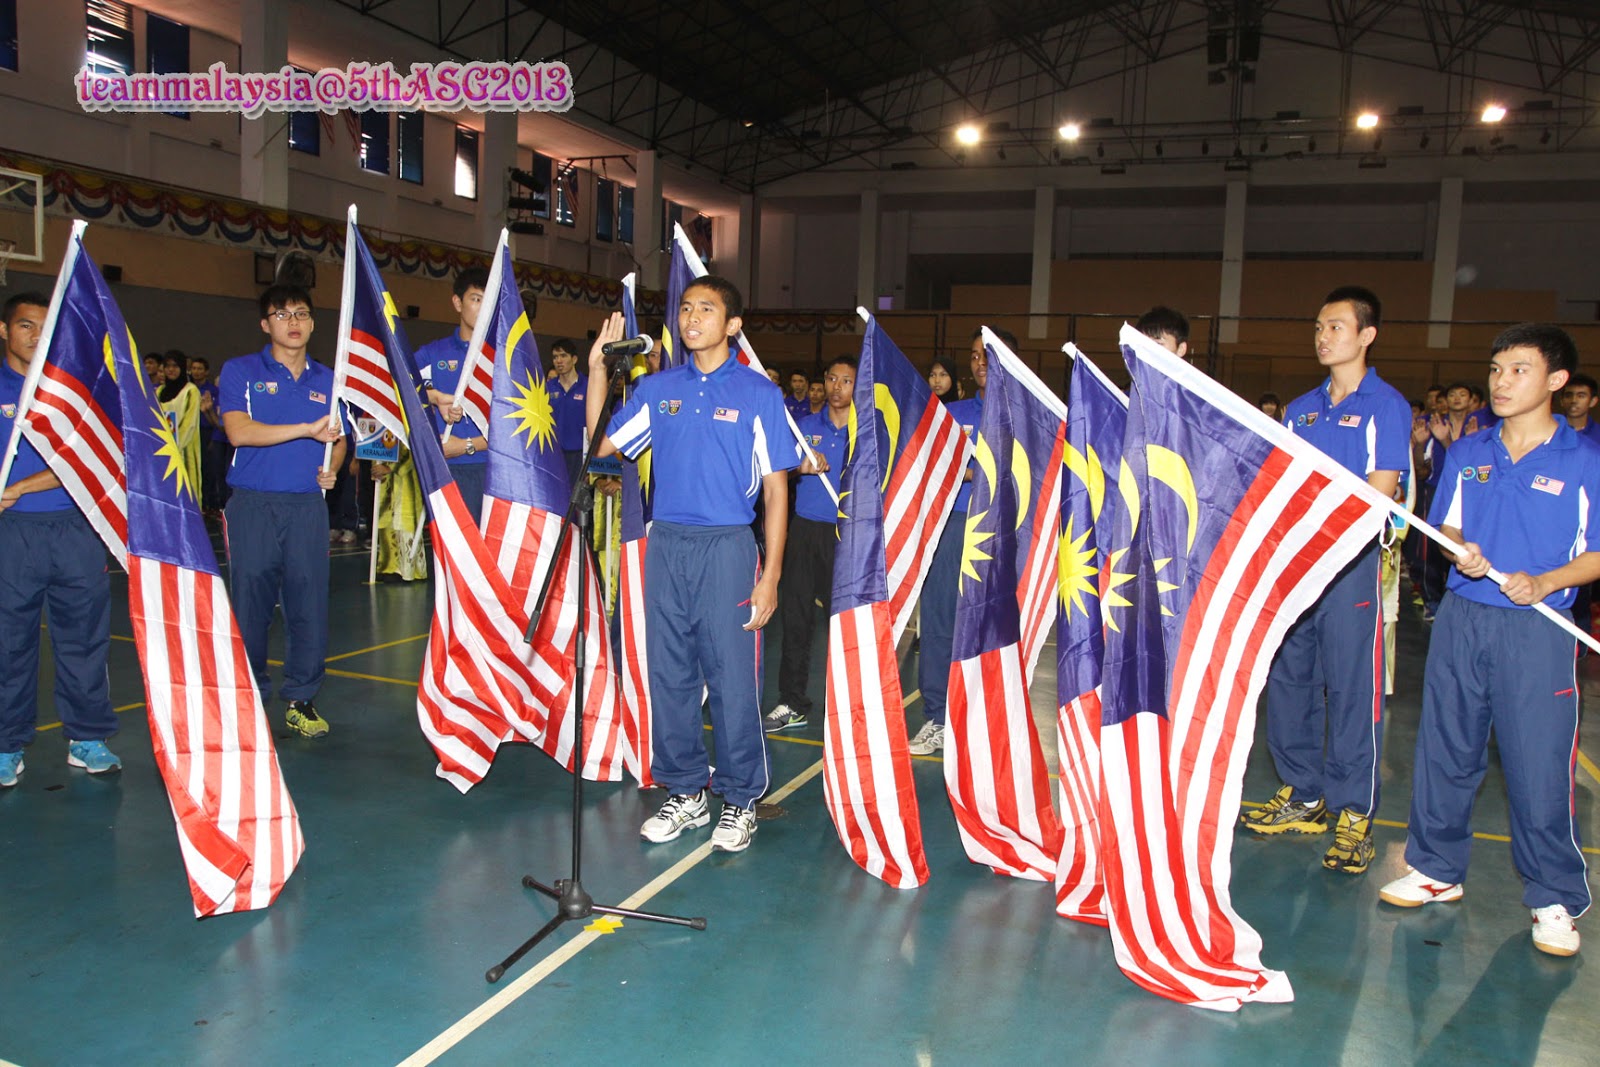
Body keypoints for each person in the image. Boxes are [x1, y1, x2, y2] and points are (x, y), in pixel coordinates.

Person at [1379, 323, 1599, 958]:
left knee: (1537, 763)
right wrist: (1460, 551)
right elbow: (1447, 525)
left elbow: (1596, 553)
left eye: (1519, 370)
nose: (1501, 382)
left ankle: (1553, 896)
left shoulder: (1584, 462)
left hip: (1538, 630)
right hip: (1464, 619)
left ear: (1556, 381)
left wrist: (1547, 580)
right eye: (1497, 370)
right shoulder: (1471, 450)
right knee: (1447, 747)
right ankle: (1435, 869)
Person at [585, 275, 797, 853]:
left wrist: (771, 574)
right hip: (667, 545)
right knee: (670, 676)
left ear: (733, 325)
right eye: (684, 308)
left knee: (732, 679)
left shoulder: (758, 394)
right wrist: (600, 371)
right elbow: (600, 448)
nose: (691, 317)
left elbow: (777, 491)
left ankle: (741, 797)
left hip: (728, 548)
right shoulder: (659, 390)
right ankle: (685, 790)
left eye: (707, 308)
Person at [1241, 286, 1410, 876]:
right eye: (1318, 326)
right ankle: (1303, 793)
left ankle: (1353, 812)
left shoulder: (1386, 406)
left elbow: (1381, 492)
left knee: (1349, 688)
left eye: (1335, 326)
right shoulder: (1300, 408)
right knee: (1288, 680)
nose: (1323, 335)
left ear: (1367, 335)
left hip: (1348, 567)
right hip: (1298, 567)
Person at [0, 292, 121, 787]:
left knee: (84, 640)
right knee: (8, 643)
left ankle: (87, 737)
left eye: (46, 329)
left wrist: (23, 486)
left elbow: (93, 456)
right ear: (5, 331)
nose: (36, 336)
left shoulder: (72, 392)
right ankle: (7, 742)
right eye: (27, 326)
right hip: (13, 535)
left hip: (75, 529)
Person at [218, 285, 345, 739]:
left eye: (302, 313)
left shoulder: (330, 379)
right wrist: (305, 429)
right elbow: (238, 431)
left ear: (312, 323)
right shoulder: (240, 372)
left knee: (308, 602)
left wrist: (334, 466)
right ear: (265, 323)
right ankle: (248, 696)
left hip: (306, 508)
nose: (293, 321)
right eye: (282, 313)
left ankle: (301, 699)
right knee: (250, 603)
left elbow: (339, 435)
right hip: (254, 505)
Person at [909, 327, 1009, 755]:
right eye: (973, 355)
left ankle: (984, 718)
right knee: (938, 621)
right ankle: (937, 716)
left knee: (992, 625)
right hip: (953, 523)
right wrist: (973, 472)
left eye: (987, 354)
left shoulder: (1024, 417)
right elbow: (936, 465)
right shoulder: (953, 414)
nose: (979, 361)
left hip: (1000, 529)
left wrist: (977, 470)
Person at [764, 355, 855, 733]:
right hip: (804, 532)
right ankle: (791, 702)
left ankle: (849, 708)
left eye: (845, 381)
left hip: (848, 536)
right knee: (797, 619)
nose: (836, 386)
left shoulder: (870, 432)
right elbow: (775, 466)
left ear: (857, 387)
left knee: (847, 624)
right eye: (831, 379)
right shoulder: (804, 427)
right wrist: (800, 467)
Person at [416, 268, 490, 524]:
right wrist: (435, 397)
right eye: (476, 299)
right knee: (449, 556)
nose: (483, 308)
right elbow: (403, 389)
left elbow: (516, 427)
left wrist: (467, 445)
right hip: (445, 471)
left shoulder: (502, 359)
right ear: (458, 303)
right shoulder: (433, 354)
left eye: (488, 300)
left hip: (493, 471)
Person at [370, 443, 427, 582]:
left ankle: (408, 570)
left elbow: (415, 452)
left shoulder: (409, 425)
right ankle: (389, 567)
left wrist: (390, 468)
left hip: (406, 481)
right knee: (386, 523)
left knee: (405, 524)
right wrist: (377, 468)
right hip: (386, 483)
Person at [157, 351, 202, 497]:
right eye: (167, 366)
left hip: (183, 449)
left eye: (175, 366)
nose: (171, 369)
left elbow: (190, 424)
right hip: (162, 449)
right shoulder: (160, 391)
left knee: (186, 490)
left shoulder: (191, 391)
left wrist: (174, 447)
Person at [546, 337, 588, 488]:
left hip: (580, 454)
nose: (559, 361)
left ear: (574, 359)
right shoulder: (548, 387)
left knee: (577, 502)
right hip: (554, 453)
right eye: (555, 357)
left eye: (563, 356)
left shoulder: (588, 386)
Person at [189, 355, 227, 515]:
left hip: (210, 433)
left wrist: (208, 411)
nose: (196, 372)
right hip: (190, 432)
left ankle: (214, 504)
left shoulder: (214, 391)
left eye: (200, 369)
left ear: (206, 372)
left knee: (212, 470)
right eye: (194, 368)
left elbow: (218, 422)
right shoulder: (187, 390)